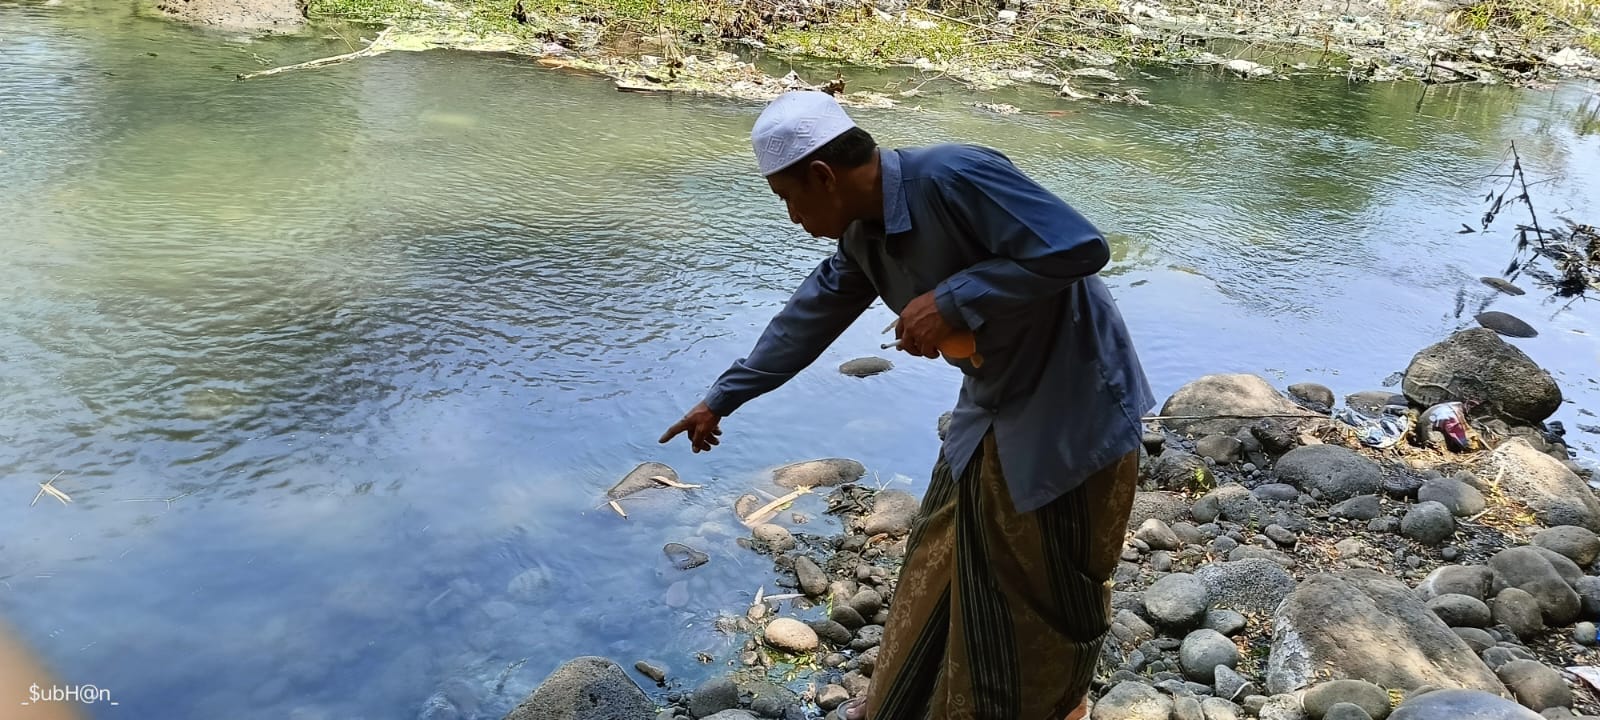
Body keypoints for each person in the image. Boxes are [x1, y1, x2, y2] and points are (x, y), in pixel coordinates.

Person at [659, 90, 1156, 720]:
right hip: (990, 408)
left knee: (1044, 585)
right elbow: (807, 318)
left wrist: (956, 296)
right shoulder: (864, 237)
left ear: (822, 176)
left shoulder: (953, 175)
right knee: (939, 558)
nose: (791, 218)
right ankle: (912, 701)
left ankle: (1047, 709)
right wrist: (720, 400)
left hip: (1071, 403)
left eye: (788, 199)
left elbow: (1080, 247)